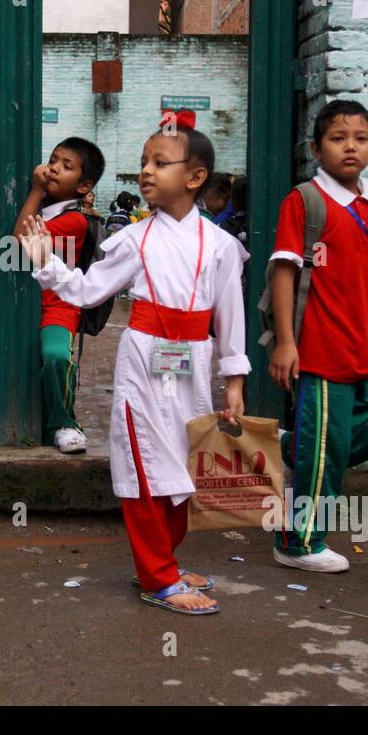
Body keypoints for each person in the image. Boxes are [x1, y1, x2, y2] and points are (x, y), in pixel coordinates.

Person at [20, 109, 250, 615]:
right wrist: (47, 262)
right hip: (144, 361)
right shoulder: (134, 239)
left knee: (183, 467)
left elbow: (230, 317)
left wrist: (234, 382)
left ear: (194, 177)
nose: (146, 170)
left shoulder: (222, 247)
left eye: (160, 162)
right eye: (144, 161)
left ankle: (163, 559)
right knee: (145, 465)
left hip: (193, 362)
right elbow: (85, 291)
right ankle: (157, 577)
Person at [266, 99, 368, 573]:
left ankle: (291, 446)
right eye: (338, 138)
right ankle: (298, 542)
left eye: (360, 139)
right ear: (316, 148)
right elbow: (283, 272)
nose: (350, 147)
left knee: (364, 431)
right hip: (321, 352)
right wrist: (287, 343)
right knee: (324, 453)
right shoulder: (305, 201)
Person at [12, 136, 106, 454]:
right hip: (26, 306)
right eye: (53, 160)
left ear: (83, 186)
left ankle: (65, 422)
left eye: (66, 167)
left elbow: (19, 242)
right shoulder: (46, 211)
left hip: (58, 306)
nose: (53, 169)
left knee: (55, 356)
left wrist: (36, 189)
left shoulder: (75, 220)